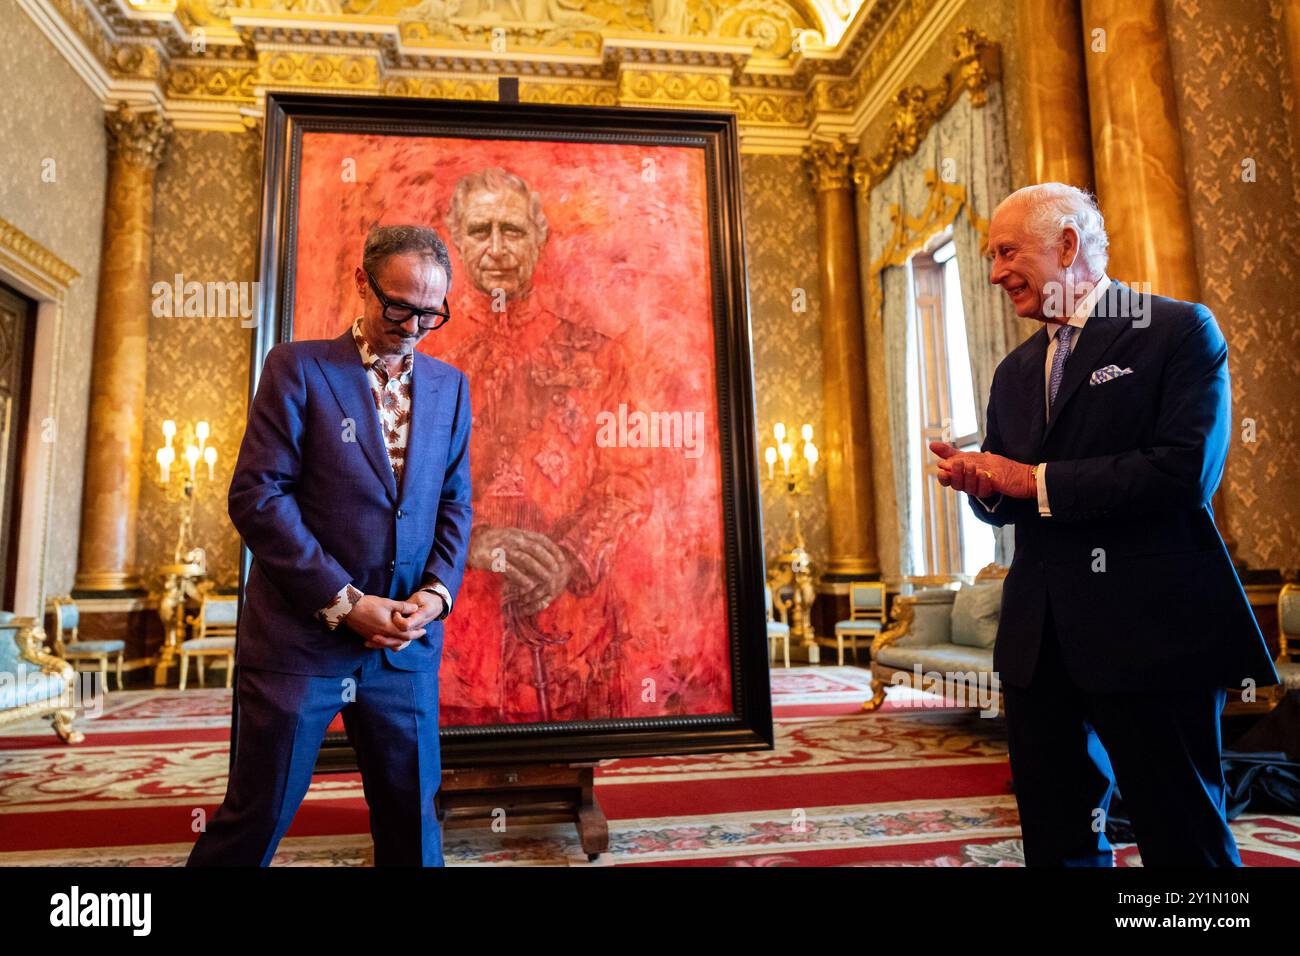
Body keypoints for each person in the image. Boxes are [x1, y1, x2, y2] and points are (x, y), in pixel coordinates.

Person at [931, 183, 1278, 866]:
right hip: (1039, 641)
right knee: (1058, 835)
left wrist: (1031, 481)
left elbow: (1184, 474)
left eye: (1007, 253)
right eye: (990, 258)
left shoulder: (1178, 330)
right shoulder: (1013, 372)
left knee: (1183, 835)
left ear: (1067, 245)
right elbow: (1011, 499)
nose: (996, 273)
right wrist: (985, 487)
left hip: (1151, 630)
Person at [187, 224, 472, 866]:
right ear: (362, 285)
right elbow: (257, 497)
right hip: (300, 642)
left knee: (413, 826)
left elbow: (455, 503)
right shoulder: (296, 368)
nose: (414, 325)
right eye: (399, 306)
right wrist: (345, 604)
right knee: (256, 817)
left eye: (432, 312)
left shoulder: (451, 387)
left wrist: (434, 595)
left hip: (404, 647)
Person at [436, 167, 653, 724]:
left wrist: (569, 557)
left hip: (570, 615)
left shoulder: (598, 355)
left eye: (512, 231)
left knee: (569, 754)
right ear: (456, 240)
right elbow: (387, 488)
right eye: (481, 231)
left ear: (540, 238)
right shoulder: (423, 357)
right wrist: (473, 545)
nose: (497, 248)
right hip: (458, 614)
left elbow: (629, 481)